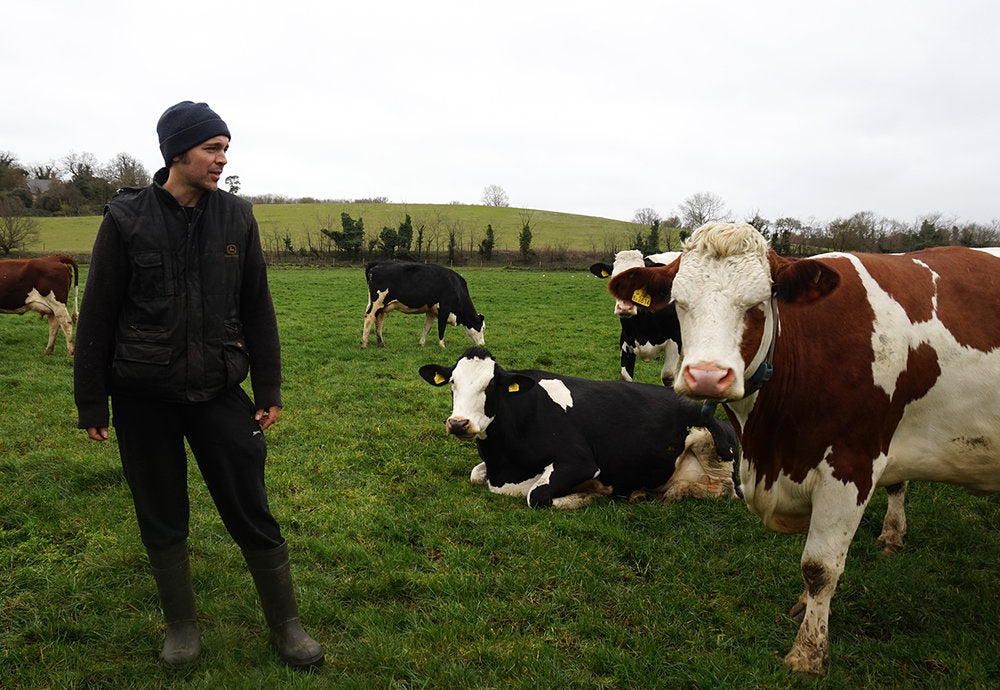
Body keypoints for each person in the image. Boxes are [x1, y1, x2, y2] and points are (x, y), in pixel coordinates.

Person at [73, 101, 323, 670]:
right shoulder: (126, 217)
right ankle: (181, 627)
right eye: (212, 148)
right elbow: (98, 313)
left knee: (250, 504)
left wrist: (269, 389)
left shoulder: (236, 216)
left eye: (225, 148)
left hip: (217, 390)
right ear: (176, 153)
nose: (222, 159)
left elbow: (258, 305)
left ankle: (288, 627)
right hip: (142, 395)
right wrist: (92, 399)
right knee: (161, 510)